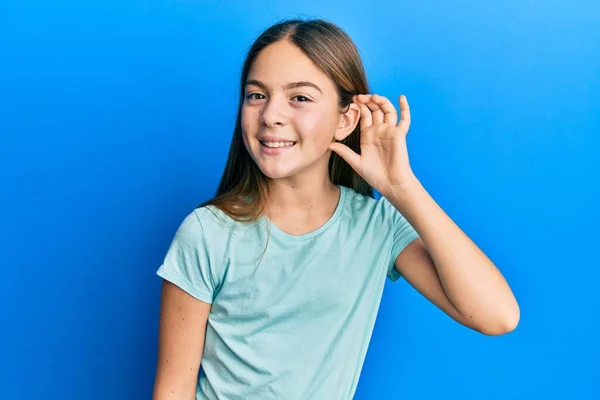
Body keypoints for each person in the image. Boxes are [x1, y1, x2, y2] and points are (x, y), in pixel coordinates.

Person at [152, 18, 520, 400]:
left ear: (345, 119)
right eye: (256, 95)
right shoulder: (207, 232)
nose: (270, 115)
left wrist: (402, 188)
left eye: (300, 98)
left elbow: (497, 315)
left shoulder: (377, 227)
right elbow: (172, 390)